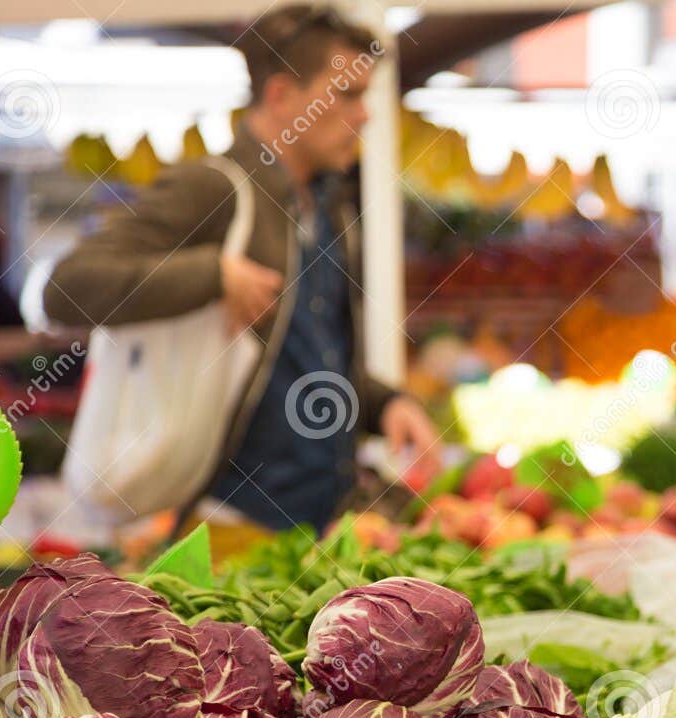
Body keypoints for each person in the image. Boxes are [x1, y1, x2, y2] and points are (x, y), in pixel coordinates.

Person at [44, 4, 439, 533]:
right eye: (348, 94)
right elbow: (66, 288)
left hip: (324, 526)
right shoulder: (213, 190)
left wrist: (385, 402)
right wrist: (213, 275)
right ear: (280, 95)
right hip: (229, 527)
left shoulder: (330, 210)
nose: (365, 114)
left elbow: (302, 355)